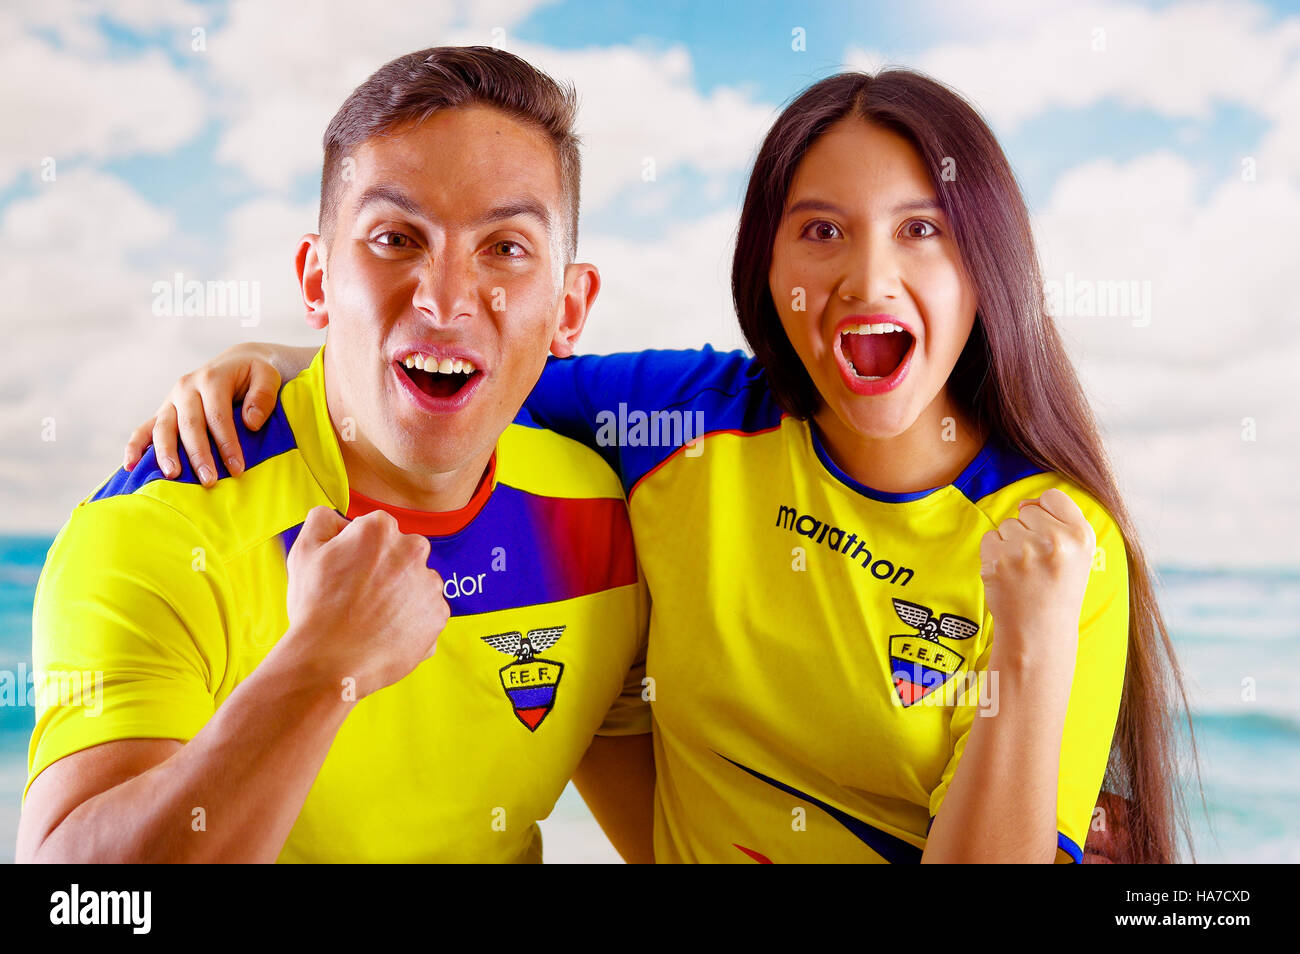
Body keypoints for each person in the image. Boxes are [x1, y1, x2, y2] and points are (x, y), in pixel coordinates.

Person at [126, 69, 1196, 863]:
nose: (868, 275)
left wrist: (1034, 649)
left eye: (922, 231)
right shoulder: (678, 423)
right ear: (765, 262)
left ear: (987, 266)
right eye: (819, 230)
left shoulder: (1055, 549)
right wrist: (265, 360)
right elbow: (463, 368)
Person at [18, 47, 657, 864]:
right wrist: (318, 671)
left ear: (569, 308)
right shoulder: (159, 526)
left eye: (505, 248)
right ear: (317, 281)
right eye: (395, 238)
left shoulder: (599, 517)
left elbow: (677, 840)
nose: (445, 297)